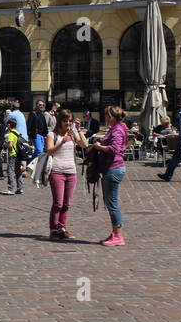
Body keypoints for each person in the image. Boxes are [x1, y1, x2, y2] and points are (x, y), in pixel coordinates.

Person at [46, 109, 88, 239]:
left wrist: (79, 130)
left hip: (71, 172)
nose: (68, 123)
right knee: (58, 203)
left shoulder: (72, 133)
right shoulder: (52, 135)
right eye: (66, 121)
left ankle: (62, 228)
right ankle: (53, 229)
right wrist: (62, 141)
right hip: (57, 171)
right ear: (59, 121)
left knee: (66, 204)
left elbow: (85, 144)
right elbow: (50, 151)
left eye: (70, 121)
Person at [92, 105, 129, 246]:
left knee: (112, 203)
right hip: (111, 168)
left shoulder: (117, 130)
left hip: (113, 169)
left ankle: (118, 235)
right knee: (110, 202)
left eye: (106, 115)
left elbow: (115, 149)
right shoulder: (115, 129)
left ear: (112, 117)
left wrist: (99, 147)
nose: (105, 118)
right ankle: (114, 232)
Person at [2, 118, 23, 194]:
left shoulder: (11, 134)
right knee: (18, 171)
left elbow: (10, 145)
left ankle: (11, 189)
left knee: (10, 171)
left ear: (9, 125)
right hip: (18, 154)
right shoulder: (17, 132)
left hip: (12, 154)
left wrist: (5, 144)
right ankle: (20, 188)